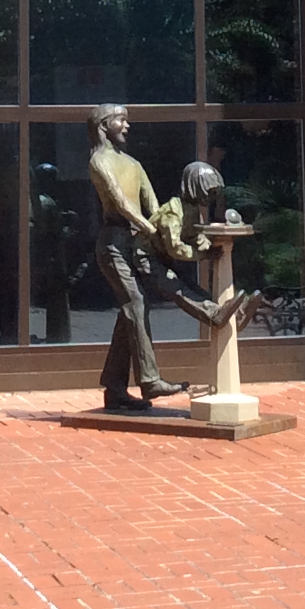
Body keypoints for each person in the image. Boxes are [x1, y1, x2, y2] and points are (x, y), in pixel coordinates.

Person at [85, 104, 192, 412]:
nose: (127, 126)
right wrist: (149, 229)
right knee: (136, 303)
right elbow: (120, 202)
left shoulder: (133, 163)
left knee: (129, 311)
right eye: (122, 120)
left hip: (136, 244)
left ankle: (115, 388)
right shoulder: (98, 161)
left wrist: (164, 229)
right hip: (113, 245)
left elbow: (153, 205)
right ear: (105, 125)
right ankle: (150, 379)